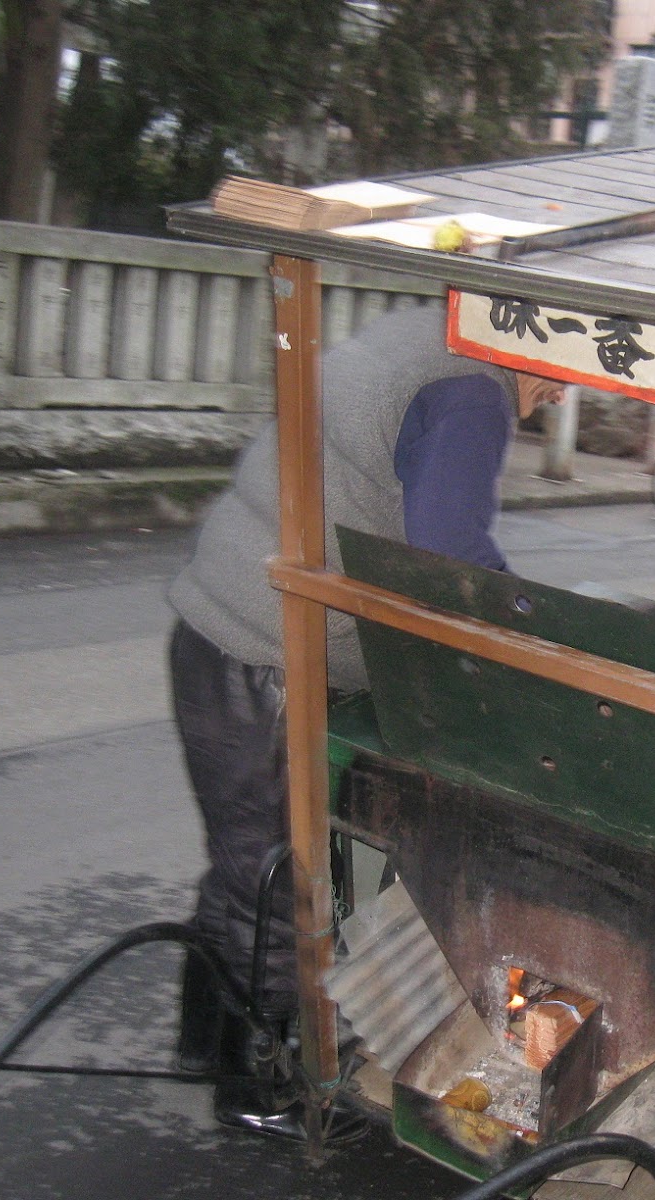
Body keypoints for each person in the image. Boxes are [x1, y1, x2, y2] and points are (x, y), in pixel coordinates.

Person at [165, 303, 561, 1138]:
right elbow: (445, 558)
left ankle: (207, 1050)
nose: (557, 405)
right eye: (566, 387)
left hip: (220, 634)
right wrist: (537, 629)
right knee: (282, 877)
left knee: (246, 865)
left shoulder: (425, 334)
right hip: (265, 657)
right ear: (549, 354)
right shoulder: (471, 391)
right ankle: (264, 1087)